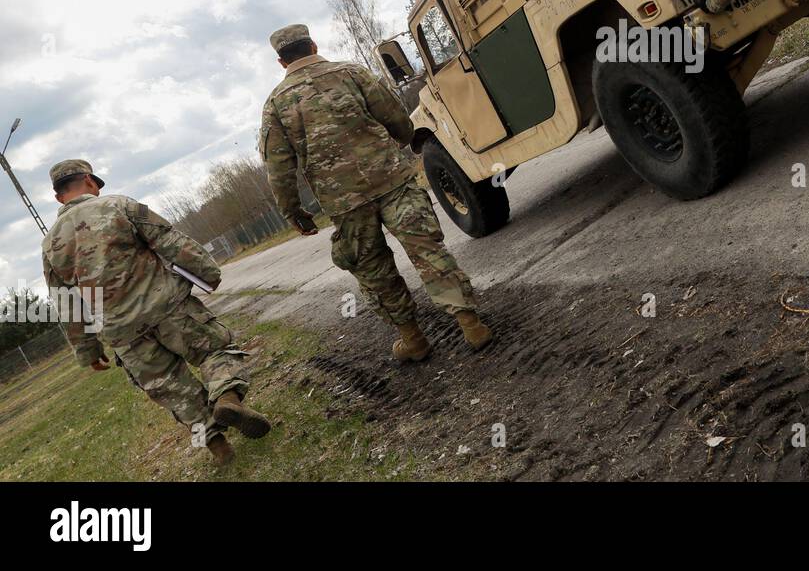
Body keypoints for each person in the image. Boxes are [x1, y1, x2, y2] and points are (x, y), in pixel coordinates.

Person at [259, 24, 492, 362]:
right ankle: (471, 324)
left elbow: (278, 167)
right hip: (392, 182)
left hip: (344, 203)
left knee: (373, 270)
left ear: (281, 62)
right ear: (313, 45)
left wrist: (294, 212)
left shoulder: (276, 104)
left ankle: (413, 340)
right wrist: (396, 143)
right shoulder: (352, 73)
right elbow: (396, 117)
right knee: (426, 249)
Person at [40, 159, 268, 468]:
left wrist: (87, 350)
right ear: (90, 182)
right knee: (215, 350)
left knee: (174, 390)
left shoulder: (50, 244)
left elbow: (66, 301)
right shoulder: (119, 206)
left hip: (123, 334)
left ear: (58, 198)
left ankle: (219, 447)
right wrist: (206, 270)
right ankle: (227, 398)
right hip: (169, 308)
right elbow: (169, 240)